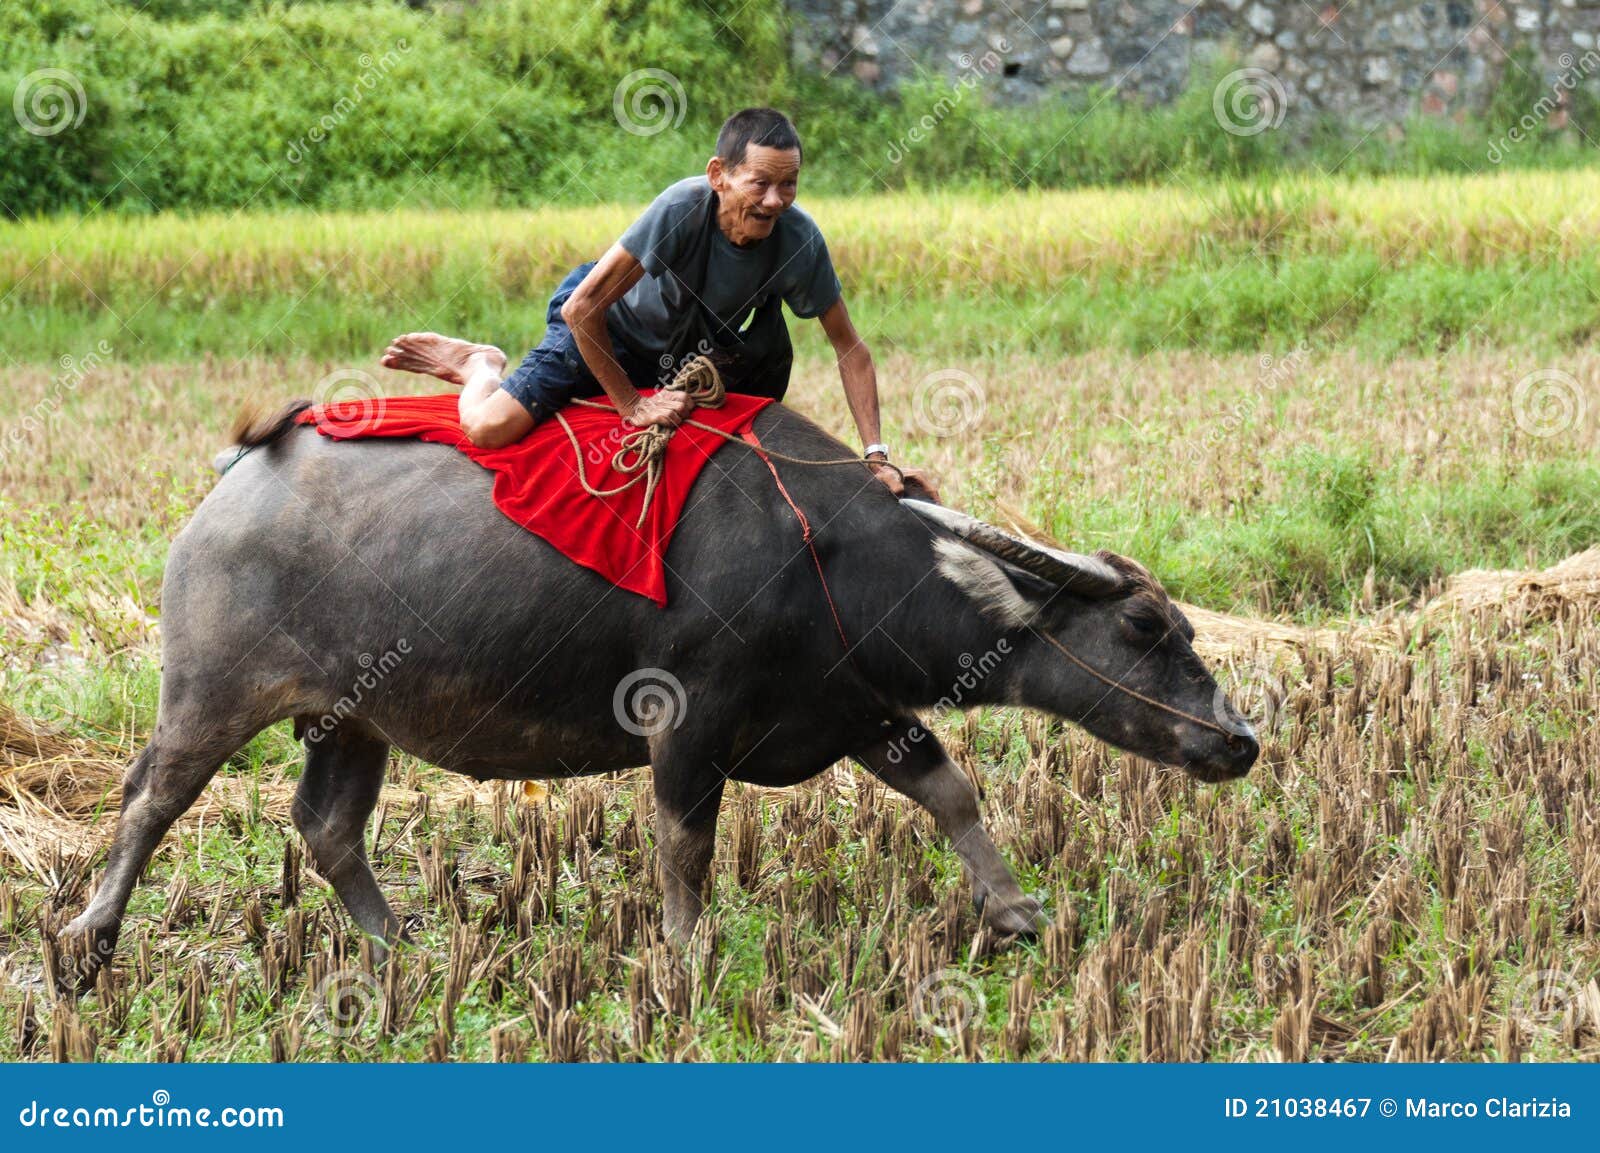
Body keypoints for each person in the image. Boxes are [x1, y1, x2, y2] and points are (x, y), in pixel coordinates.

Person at [380, 106, 930, 496]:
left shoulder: (798, 239)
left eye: (788, 185)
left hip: (690, 356)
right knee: (489, 429)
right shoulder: (682, 208)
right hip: (607, 329)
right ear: (719, 175)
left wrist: (875, 455)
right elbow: (582, 309)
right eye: (759, 183)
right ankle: (481, 364)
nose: (774, 200)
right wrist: (632, 407)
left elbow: (850, 349)